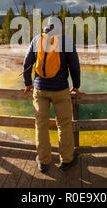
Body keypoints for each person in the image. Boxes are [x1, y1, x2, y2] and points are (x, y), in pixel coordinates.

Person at [23, 16, 81, 173]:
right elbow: (74, 65)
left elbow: (27, 63)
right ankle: (67, 160)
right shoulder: (66, 41)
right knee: (64, 125)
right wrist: (76, 86)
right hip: (60, 89)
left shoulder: (37, 39)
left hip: (40, 89)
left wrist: (27, 83)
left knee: (41, 125)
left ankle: (43, 161)